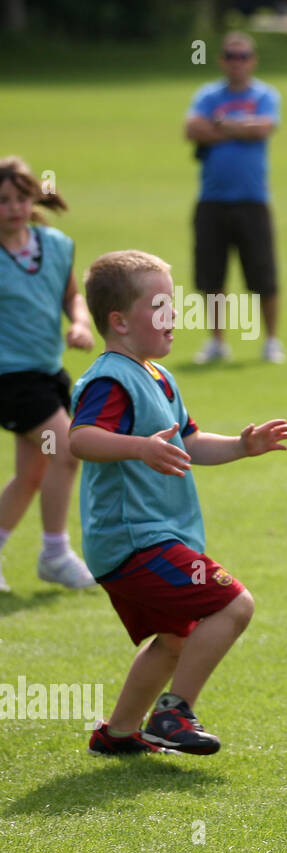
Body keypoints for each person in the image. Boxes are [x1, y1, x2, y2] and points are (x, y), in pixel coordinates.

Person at [69, 249, 287, 755]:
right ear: (119, 321)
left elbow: (187, 442)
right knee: (233, 604)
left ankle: (119, 733)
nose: (175, 317)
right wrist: (140, 448)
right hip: (135, 541)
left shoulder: (157, 375)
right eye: (160, 306)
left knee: (176, 637)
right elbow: (81, 439)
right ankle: (173, 716)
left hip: (150, 539)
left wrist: (241, 447)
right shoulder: (111, 378)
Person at [0, 155, 97, 593]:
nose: (14, 208)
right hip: (10, 380)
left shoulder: (55, 244)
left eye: (21, 198)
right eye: (3, 201)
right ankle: (55, 553)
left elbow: (72, 296)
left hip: (47, 372)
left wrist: (79, 322)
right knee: (68, 449)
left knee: (33, 474)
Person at [185, 31, 284, 365]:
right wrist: (237, 127)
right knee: (211, 276)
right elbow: (191, 129)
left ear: (252, 61)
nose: (237, 62)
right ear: (222, 60)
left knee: (263, 275)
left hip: (252, 199)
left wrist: (220, 126)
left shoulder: (265, 94)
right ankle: (216, 342)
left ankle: (271, 340)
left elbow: (263, 129)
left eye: (243, 56)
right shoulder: (207, 94)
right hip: (211, 199)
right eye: (231, 55)